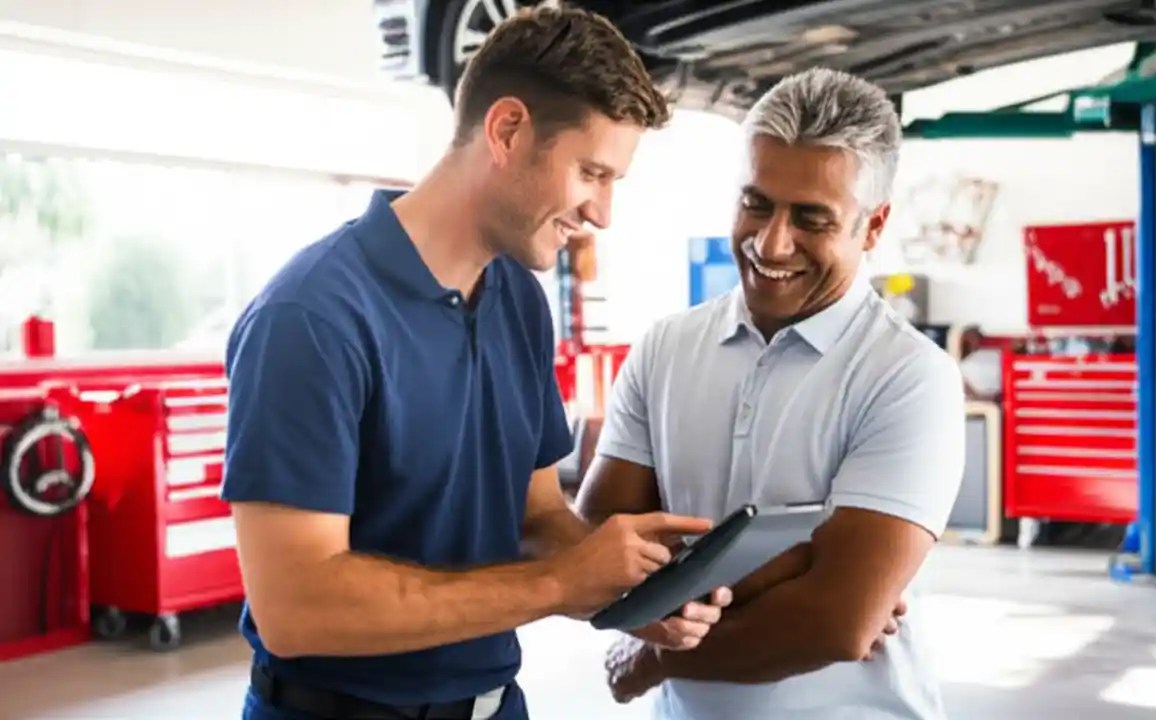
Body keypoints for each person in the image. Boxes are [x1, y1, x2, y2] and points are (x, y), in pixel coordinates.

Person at [220, 7, 730, 720]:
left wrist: (634, 590)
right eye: (591, 172)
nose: (603, 212)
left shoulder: (519, 298)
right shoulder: (310, 318)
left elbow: (538, 515)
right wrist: (560, 585)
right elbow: (296, 609)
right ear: (508, 130)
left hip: (493, 705)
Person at [576, 67, 966, 720]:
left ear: (872, 228)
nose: (770, 241)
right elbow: (597, 547)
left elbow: (834, 623)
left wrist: (654, 655)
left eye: (811, 218)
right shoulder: (666, 349)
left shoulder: (907, 377)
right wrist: (793, 566)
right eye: (756, 203)